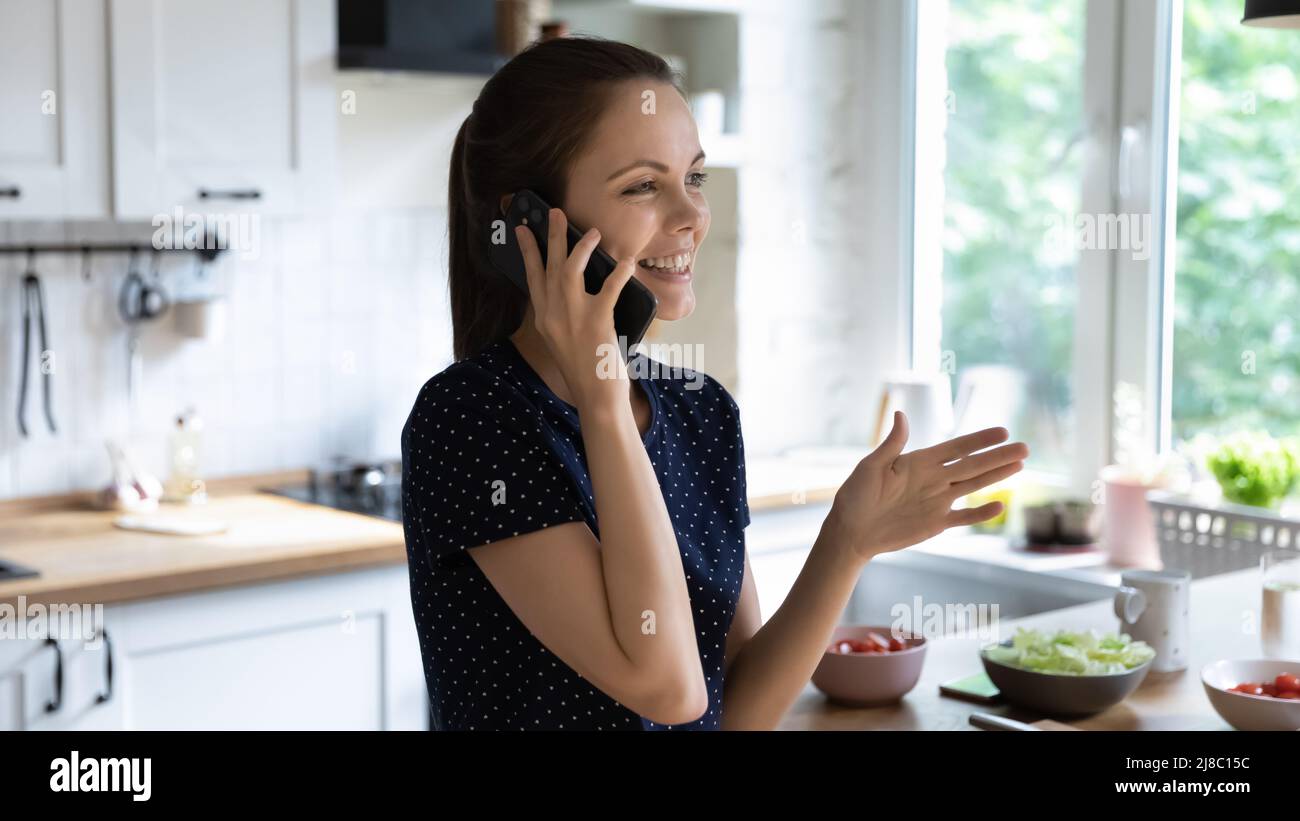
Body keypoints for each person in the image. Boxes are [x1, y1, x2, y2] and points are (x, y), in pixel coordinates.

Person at [401, 35, 1028, 730]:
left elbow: (733, 711)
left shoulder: (701, 412)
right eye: (643, 185)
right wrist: (605, 400)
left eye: (693, 178)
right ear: (528, 225)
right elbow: (668, 689)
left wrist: (845, 543)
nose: (693, 216)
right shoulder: (472, 418)